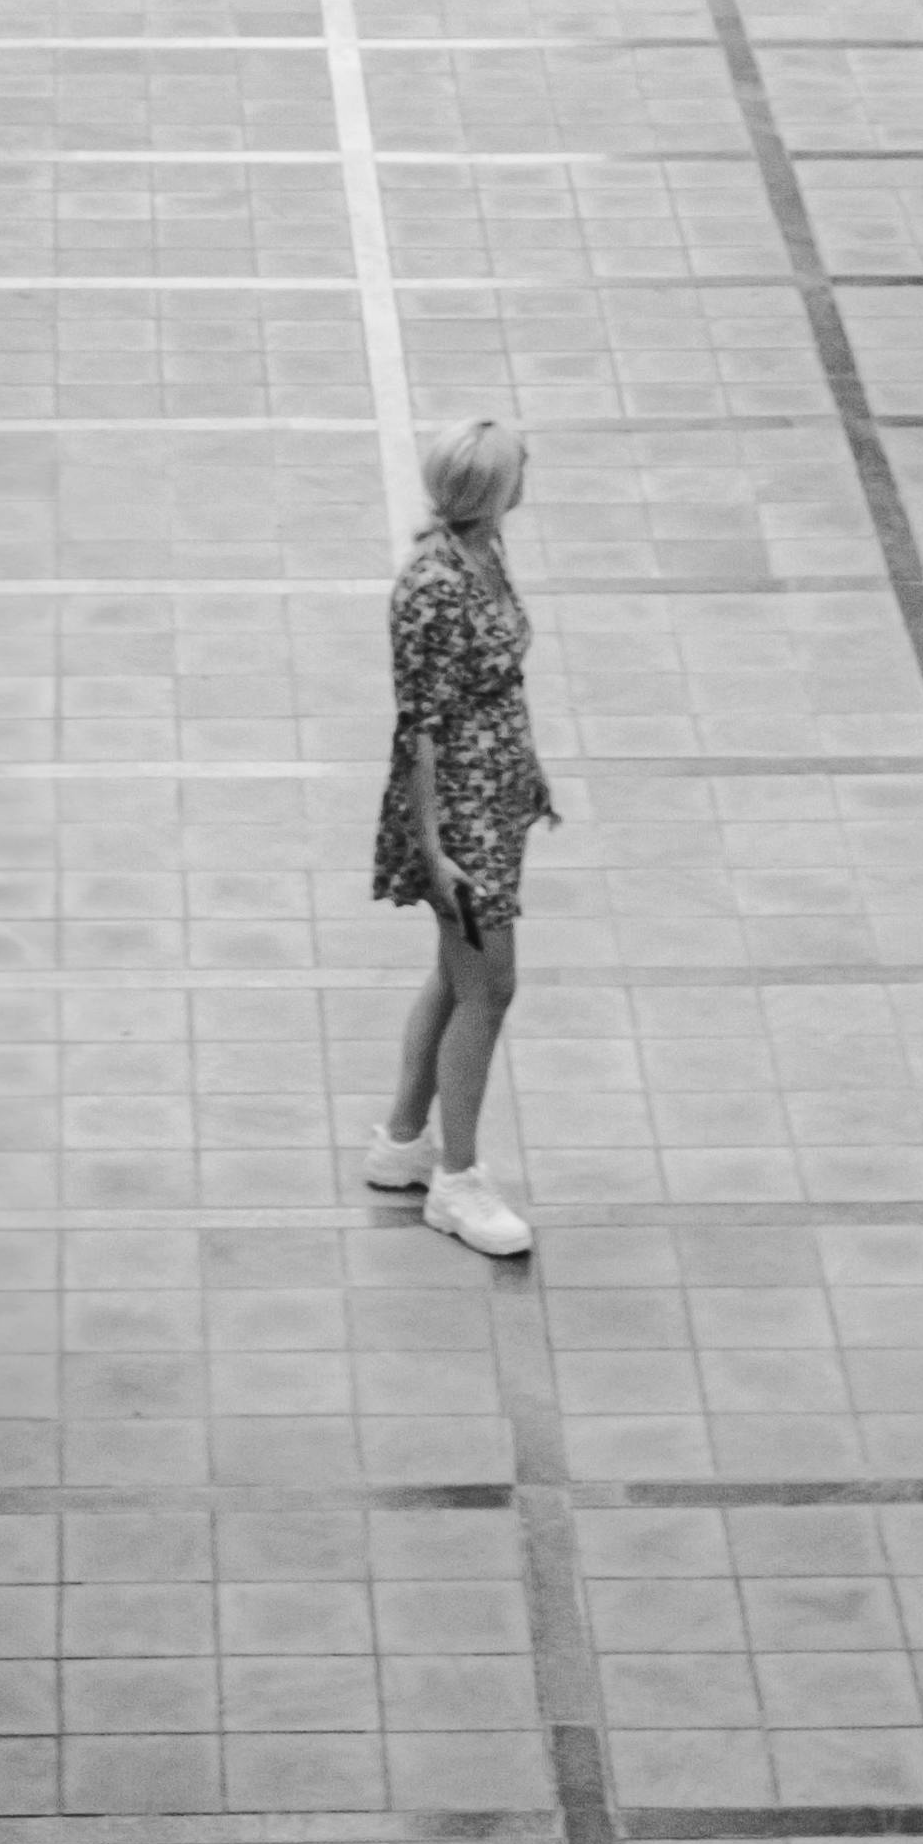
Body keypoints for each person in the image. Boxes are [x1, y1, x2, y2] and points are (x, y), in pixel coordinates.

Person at [365, 415, 557, 1257]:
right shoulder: (433, 586)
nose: (530, 466)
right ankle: (459, 1181)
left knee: (456, 974)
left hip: (498, 792)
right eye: (519, 463)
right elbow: (423, 728)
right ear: (492, 486)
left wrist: (531, 768)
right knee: (490, 987)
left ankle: (405, 1141)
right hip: (462, 814)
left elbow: (502, 685)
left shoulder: (486, 550)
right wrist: (435, 848)